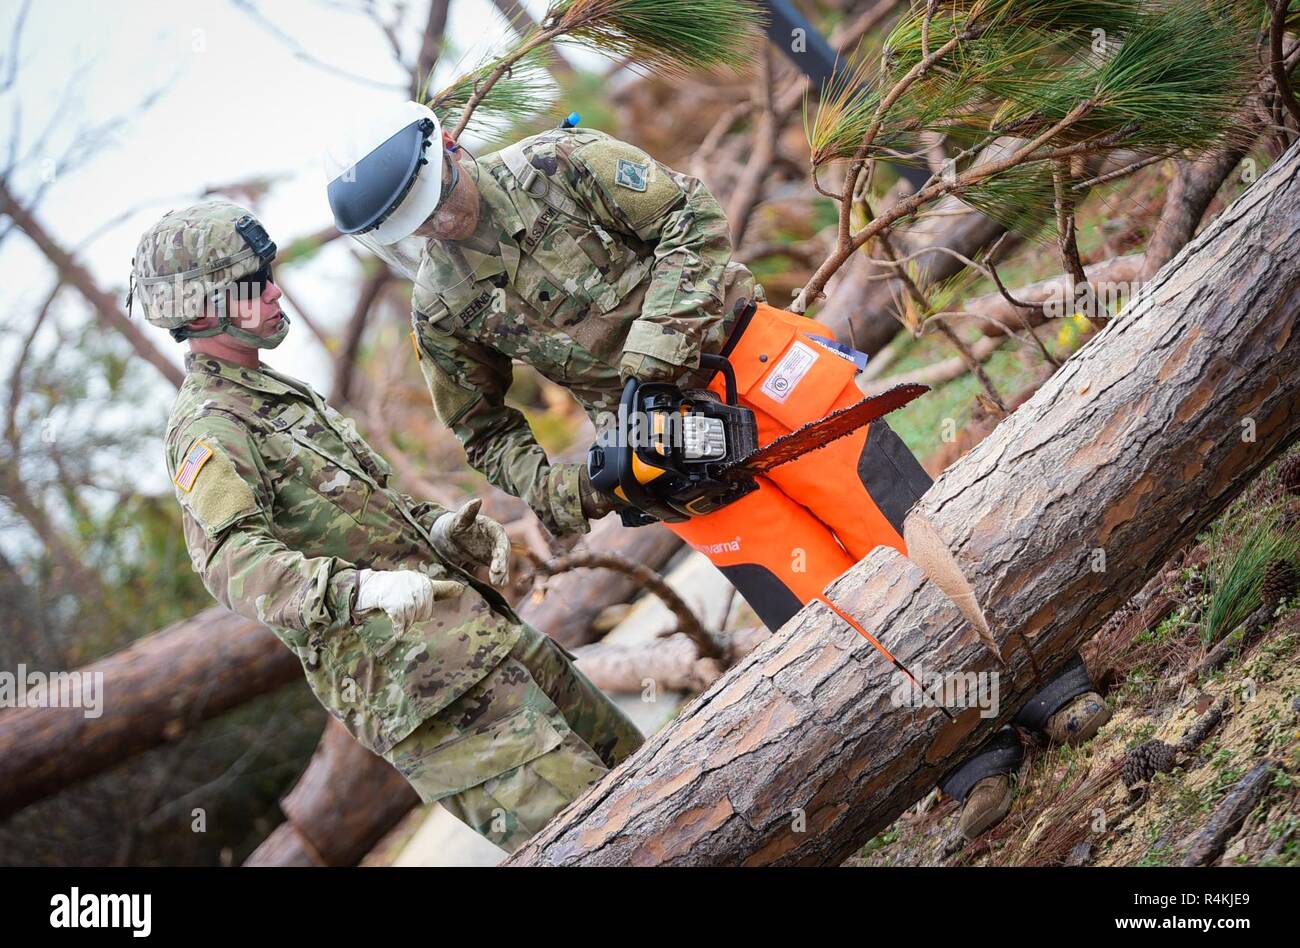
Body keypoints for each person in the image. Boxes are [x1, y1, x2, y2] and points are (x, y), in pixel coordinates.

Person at [323, 103, 1109, 841]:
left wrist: (649, 363)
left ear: (448, 147)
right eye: (416, 222)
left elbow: (691, 221)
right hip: (669, 452)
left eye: (437, 197)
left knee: (899, 525)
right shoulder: (441, 302)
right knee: (824, 601)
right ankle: (970, 753)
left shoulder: (564, 163)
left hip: (751, 362)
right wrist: (569, 487)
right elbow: (481, 426)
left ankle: (1049, 677)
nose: (440, 220)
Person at [129, 200, 643, 853]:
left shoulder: (278, 392)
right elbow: (228, 561)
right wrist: (352, 592)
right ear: (201, 312)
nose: (275, 291)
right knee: (610, 842)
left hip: (483, 638)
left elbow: (365, 515)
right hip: (429, 695)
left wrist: (440, 531)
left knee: (650, 778)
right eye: (252, 286)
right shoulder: (208, 426)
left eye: (269, 274)